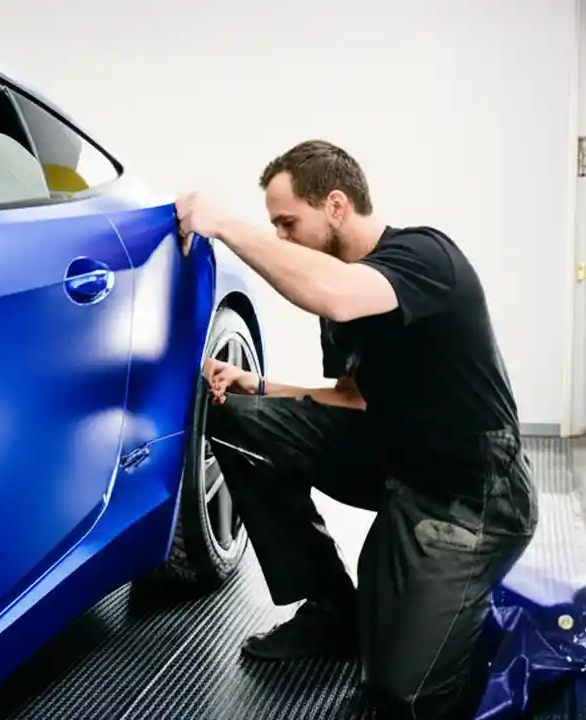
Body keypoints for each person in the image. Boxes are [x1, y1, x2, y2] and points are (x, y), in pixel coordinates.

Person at [174, 140, 538, 719]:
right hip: (397, 459)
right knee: (236, 418)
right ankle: (329, 608)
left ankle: (460, 604)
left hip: (470, 498)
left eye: (288, 223)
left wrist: (225, 225)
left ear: (337, 207)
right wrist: (255, 385)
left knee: (398, 694)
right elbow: (351, 398)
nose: (284, 238)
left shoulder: (425, 256)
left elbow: (334, 295)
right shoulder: (336, 297)